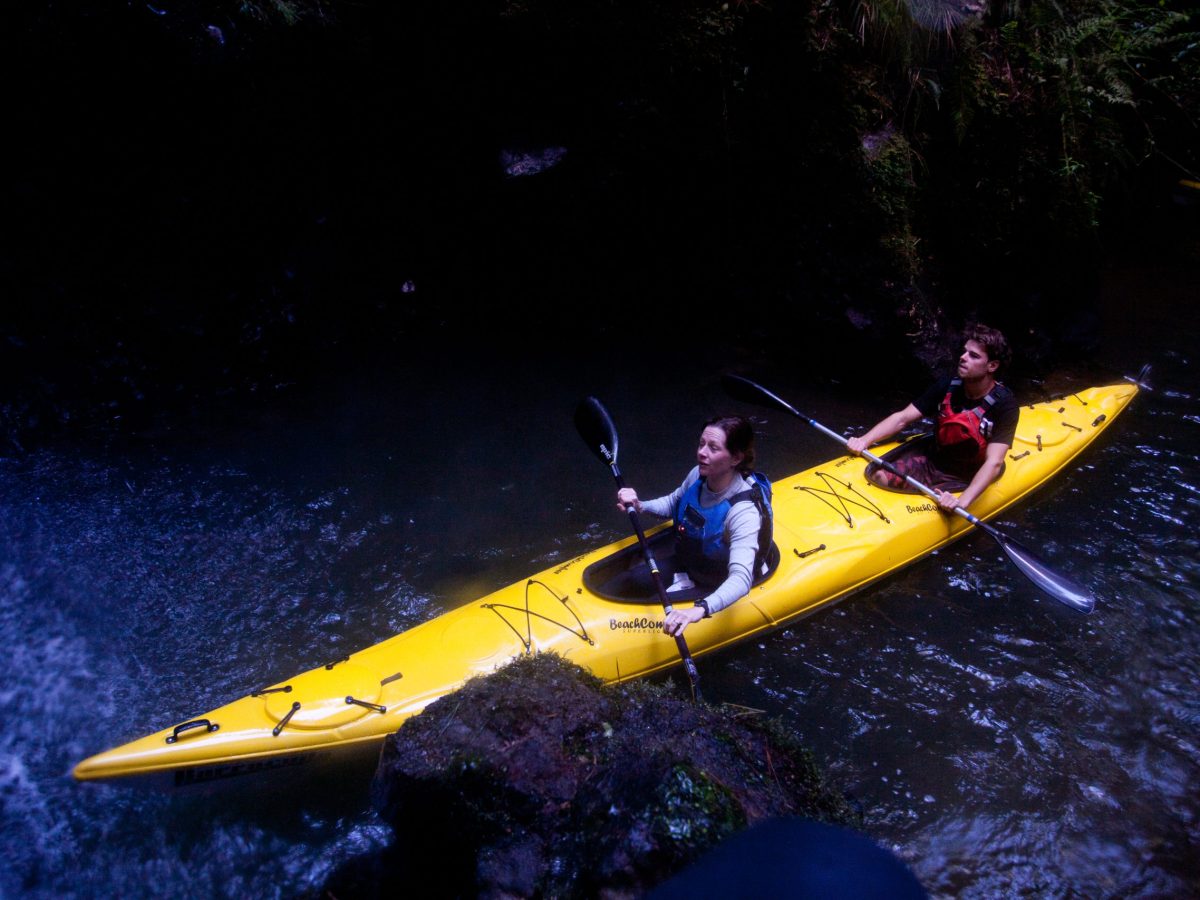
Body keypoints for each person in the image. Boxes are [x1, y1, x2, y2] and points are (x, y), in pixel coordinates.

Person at [616, 415, 772, 638]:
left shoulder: (743, 512)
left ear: (736, 458)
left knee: (647, 600)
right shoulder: (699, 474)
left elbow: (741, 579)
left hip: (715, 581)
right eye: (701, 444)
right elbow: (673, 503)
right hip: (690, 561)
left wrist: (698, 610)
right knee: (633, 580)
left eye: (713, 448)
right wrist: (640, 505)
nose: (702, 452)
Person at [845, 324, 1018, 513]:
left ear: (992, 366)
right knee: (879, 477)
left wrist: (962, 501)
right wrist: (864, 440)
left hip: (965, 478)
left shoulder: (1005, 405)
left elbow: (994, 462)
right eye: (965, 351)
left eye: (973, 356)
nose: (963, 357)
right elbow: (902, 418)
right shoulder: (948, 385)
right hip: (931, 463)